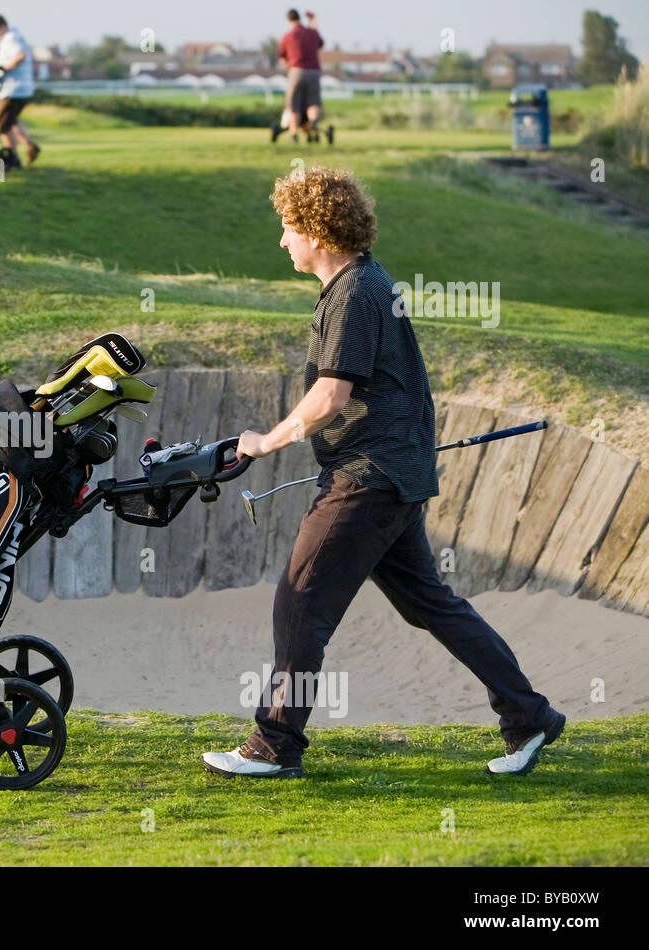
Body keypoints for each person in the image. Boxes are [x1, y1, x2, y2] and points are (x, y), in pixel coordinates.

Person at [202, 167, 564, 779]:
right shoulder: (359, 284)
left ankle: (274, 744)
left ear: (317, 230)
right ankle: (529, 717)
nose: (282, 241)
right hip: (390, 474)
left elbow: (330, 396)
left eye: (288, 228)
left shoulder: (353, 292)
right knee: (433, 606)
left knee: (299, 603)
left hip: (367, 479)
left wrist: (266, 441)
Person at [273, 9, 334, 145]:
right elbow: (319, 42)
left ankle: (294, 134)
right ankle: (312, 125)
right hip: (313, 72)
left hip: (296, 71)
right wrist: (313, 23)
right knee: (313, 102)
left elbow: (282, 56)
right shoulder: (311, 33)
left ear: (289, 20)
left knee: (294, 105)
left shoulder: (288, 36)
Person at [0, 14, 40, 168]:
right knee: (11, 122)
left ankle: (12, 158)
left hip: (12, 90)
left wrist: (3, 68)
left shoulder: (10, 38)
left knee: (2, 126)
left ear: (2, 26)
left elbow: (20, 56)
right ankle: (30, 145)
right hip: (23, 89)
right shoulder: (16, 36)